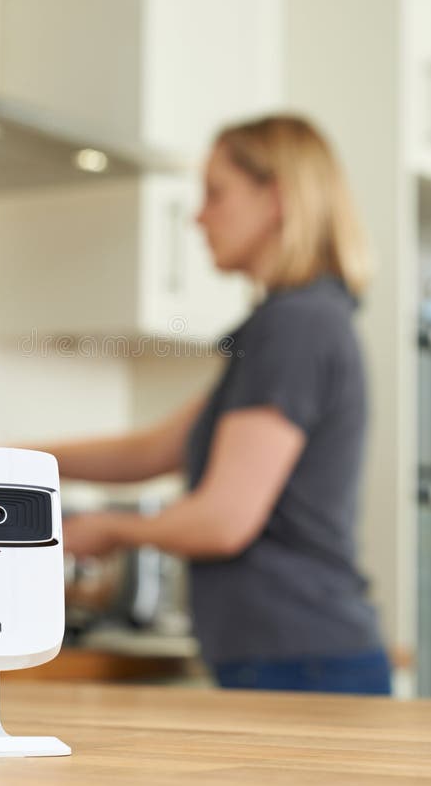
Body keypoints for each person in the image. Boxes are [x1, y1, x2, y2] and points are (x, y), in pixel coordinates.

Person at [28, 114, 391, 694]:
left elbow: (223, 521)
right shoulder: (294, 324)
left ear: (275, 197)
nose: (198, 217)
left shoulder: (294, 327)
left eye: (215, 193)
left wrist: (113, 529)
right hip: (301, 657)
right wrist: (9, 460)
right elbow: (152, 450)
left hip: (301, 663)